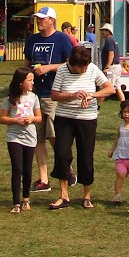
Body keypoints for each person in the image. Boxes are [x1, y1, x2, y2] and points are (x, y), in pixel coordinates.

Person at [48, 43, 116, 209]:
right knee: (62, 154)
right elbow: (54, 95)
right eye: (82, 67)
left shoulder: (92, 69)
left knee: (86, 155)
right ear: (73, 64)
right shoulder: (63, 70)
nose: (84, 70)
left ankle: (86, 195)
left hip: (87, 119)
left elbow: (109, 89)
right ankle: (63, 195)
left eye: (86, 66)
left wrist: (92, 95)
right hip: (64, 118)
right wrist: (72, 95)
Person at [25, 7, 73, 191]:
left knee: (54, 135)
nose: (38, 21)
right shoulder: (32, 40)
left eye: (42, 19)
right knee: (37, 138)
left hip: (53, 94)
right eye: (37, 18)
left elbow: (71, 63)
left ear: (51, 20)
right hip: (35, 94)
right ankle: (43, 179)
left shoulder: (62, 39)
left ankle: (65, 168)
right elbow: (27, 63)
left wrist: (48, 67)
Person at [0, 66, 41, 213]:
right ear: (20, 82)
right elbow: (2, 118)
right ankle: (16, 202)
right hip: (14, 137)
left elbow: (39, 117)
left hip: (30, 137)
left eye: (33, 80)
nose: (32, 83)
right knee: (17, 168)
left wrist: (31, 119)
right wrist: (16, 120)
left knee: (27, 169)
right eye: (29, 80)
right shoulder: (9, 99)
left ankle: (26, 199)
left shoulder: (34, 97)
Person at [98, 25, 123, 102]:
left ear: (108, 31)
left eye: (104, 30)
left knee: (105, 88)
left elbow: (111, 54)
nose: (102, 32)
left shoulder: (109, 41)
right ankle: (124, 105)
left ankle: (97, 108)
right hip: (116, 67)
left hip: (112, 68)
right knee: (118, 88)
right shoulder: (113, 40)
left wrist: (107, 67)